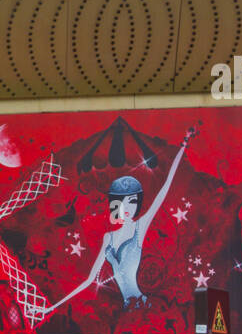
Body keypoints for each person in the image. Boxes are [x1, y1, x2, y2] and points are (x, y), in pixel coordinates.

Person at [43, 128, 194, 313]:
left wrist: (183, 145)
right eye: (121, 203)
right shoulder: (109, 238)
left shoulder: (141, 226)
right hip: (127, 309)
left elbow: (165, 188)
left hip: (142, 305)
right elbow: (89, 280)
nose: (127, 208)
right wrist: (51, 308)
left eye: (131, 202)